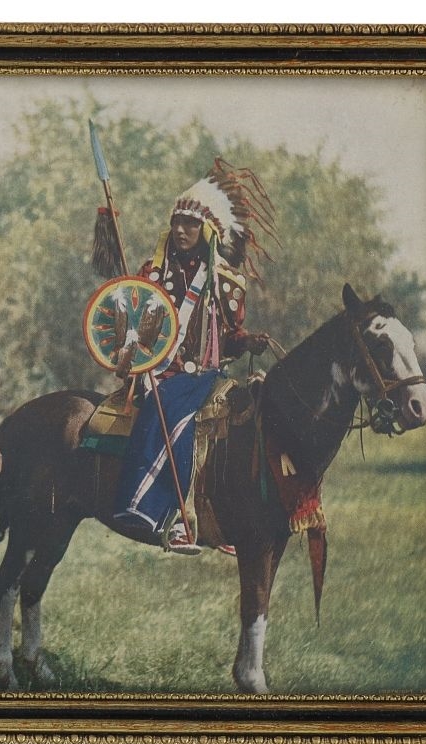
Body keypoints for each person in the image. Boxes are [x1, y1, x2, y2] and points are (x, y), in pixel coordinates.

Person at [111, 168, 274, 555]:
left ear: (207, 231)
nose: (182, 230)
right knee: (170, 410)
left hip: (205, 374)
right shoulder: (151, 274)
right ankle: (168, 516)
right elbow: (129, 325)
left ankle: (223, 518)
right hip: (158, 373)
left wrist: (247, 340)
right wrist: (130, 345)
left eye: (191, 223)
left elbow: (229, 339)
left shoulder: (225, 282)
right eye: (177, 222)